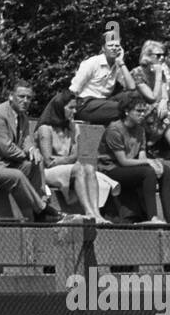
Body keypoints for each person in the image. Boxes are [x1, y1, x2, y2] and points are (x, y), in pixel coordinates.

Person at [0, 81, 66, 222]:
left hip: (2, 164)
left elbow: (26, 139)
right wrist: (27, 153)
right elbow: (7, 149)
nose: (25, 101)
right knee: (17, 175)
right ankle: (43, 210)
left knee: (36, 162)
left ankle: (41, 201)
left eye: (29, 98)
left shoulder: (23, 117)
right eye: (21, 96)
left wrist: (33, 150)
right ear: (11, 96)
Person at [97, 93, 170, 224]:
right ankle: (152, 217)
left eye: (143, 111)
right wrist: (148, 162)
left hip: (128, 167)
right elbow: (123, 161)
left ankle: (169, 216)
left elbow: (141, 156)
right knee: (148, 172)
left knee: (165, 170)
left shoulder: (140, 130)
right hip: (111, 169)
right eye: (138, 111)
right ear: (126, 112)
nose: (142, 114)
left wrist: (153, 164)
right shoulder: (114, 129)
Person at [36, 92, 119, 222]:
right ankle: (89, 212)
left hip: (68, 167)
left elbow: (76, 155)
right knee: (80, 168)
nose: (74, 111)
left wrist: (63, 159)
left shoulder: (73, 128)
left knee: (89, 168)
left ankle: (97, 214)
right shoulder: (45, 129)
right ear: (59, 108)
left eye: (75, 108)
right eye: (71, 108)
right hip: (46, 172)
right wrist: (69, 159)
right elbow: (48, 161)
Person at [128, 40, 170, 158]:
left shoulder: (160, 72)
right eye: (158, 56)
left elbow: (165, 96)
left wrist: (164, 101)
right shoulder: (136, 73)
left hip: (154, 108)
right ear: (147, 56)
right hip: (137, 109)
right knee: (164, 110)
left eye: (163, 55)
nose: (162, 58)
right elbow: (151, 97)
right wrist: (158, 76)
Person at [67, 30, 137, 125]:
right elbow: (74, 89)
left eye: (117, 46)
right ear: (103, 48)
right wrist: (70, 111)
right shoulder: (92, 63)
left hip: (104, 103)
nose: (114, 48)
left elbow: (131, 87)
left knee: (134, 96)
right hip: (85, 104)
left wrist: (121, 62)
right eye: (110, 45)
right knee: (123, 108)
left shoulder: (117, 65)